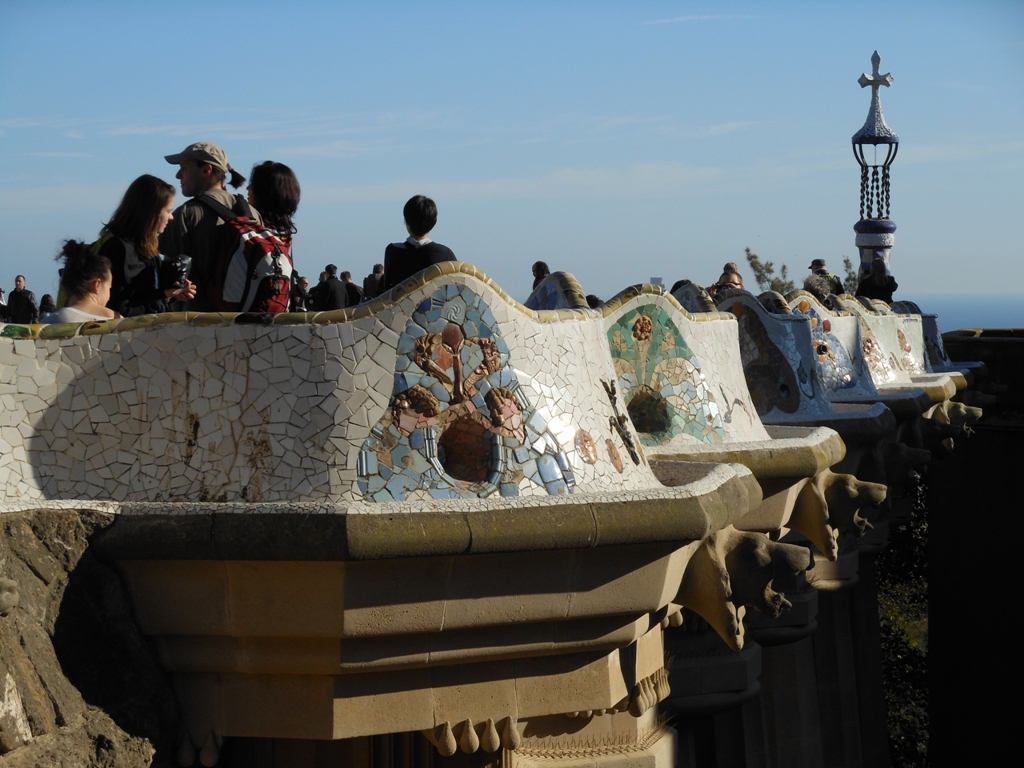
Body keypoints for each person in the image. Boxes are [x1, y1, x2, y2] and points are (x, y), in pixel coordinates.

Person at [159, 142, 255, 311]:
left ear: (206, 170)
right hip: (247, 319)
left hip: (198, 323)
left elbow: (171, 279)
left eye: (184, 168)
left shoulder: (186, 214)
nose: (178, 175)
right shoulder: (252, 214)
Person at [96, 174, 196, 317]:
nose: (171, 217)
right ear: (152, 212)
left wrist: (172, 292)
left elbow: (143, 296)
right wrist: (164, 297)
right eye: (168, 211)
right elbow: (119, 310)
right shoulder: (120, 249)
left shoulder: (143, 245)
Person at [382, 195, 456, 291]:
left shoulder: (393, 251)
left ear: (407, 223)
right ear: (433, 222)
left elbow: (386, 289)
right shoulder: (444, 254)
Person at [47, 241, 119, 323]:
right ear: (97, 284)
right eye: (109, 288)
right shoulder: (118, 321)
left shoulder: (49, 322)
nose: (109, 296)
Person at [247, 160, 300, 255]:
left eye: (252, 184)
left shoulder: (249, 233)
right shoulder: (285, 234)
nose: (248, 188)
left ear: (263, 193)